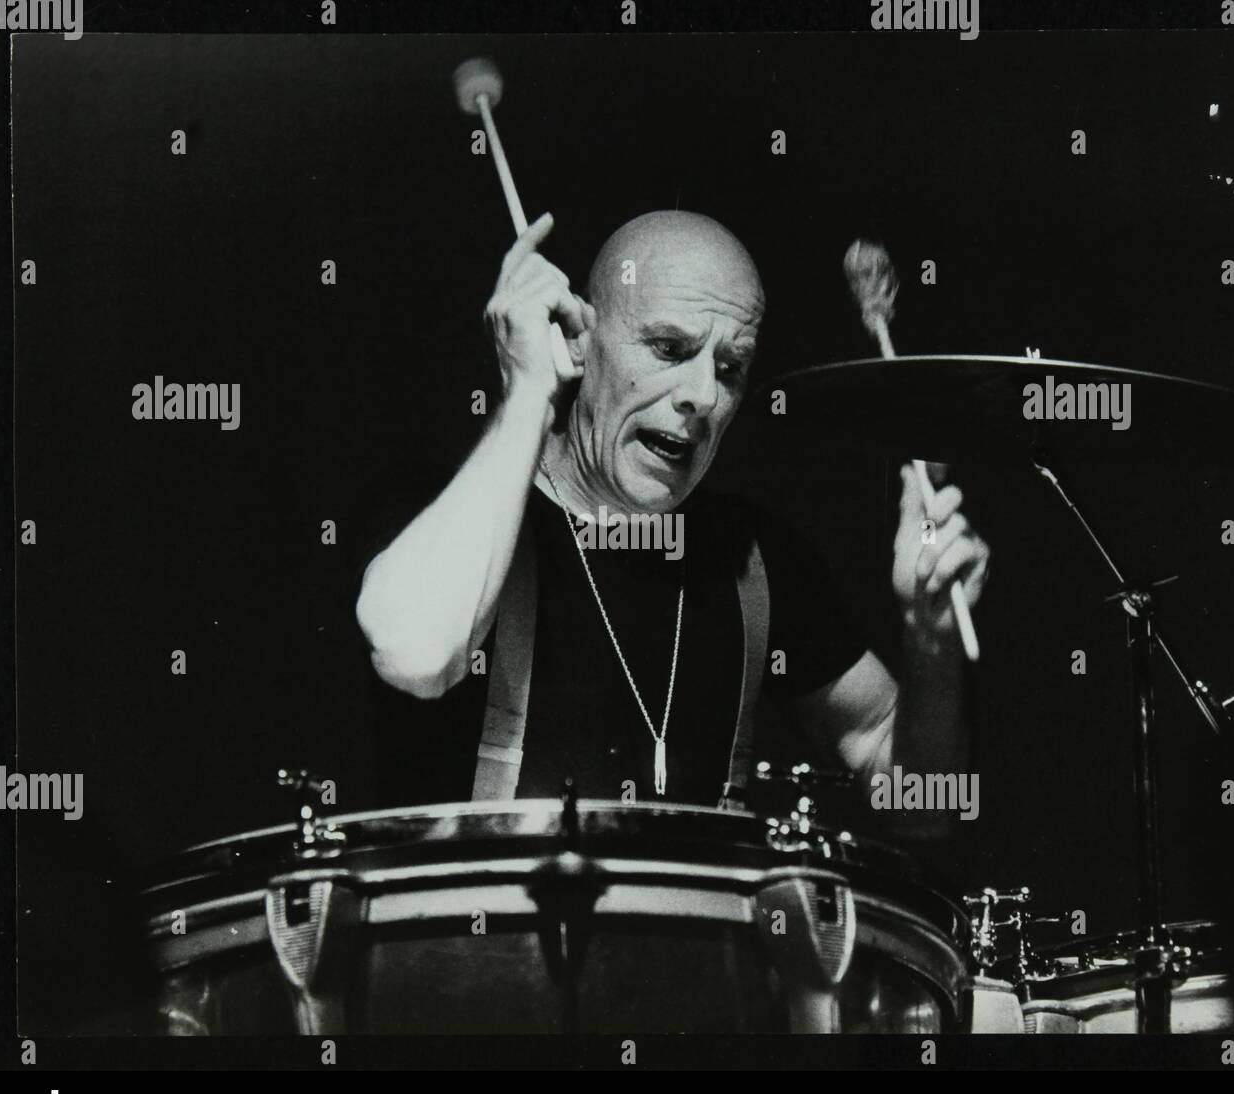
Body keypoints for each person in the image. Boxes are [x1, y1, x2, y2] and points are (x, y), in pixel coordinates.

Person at [355, 209, 989, 830]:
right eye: (669, 348)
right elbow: (417, 653)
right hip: (470, 934)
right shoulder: (455, 509)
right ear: (578, 338)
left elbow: (927, 807)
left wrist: (930, 640)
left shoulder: (754, 559)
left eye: (730, 368)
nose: (704, 396)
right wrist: (529, 392)